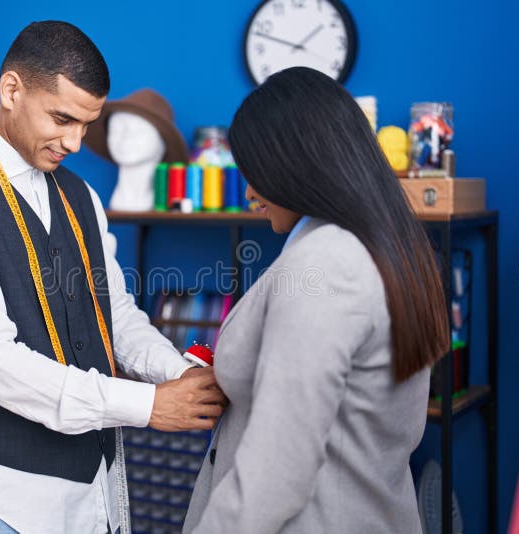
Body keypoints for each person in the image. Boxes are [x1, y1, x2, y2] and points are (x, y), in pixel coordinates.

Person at [0, 21, 226, 534]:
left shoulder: (82, 198)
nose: (75, 142)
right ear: (11, 90)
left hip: (101, 500)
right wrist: (147, 406)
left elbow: (113, 315)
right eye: (62, 119)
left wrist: (175, 374)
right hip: (4, 509)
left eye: (86, 124)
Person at [183, 67, 449, 534]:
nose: (248, 195)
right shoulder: (385, 247)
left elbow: (276, 473)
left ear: (295, 168)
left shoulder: (324, 265)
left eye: (256, 176)